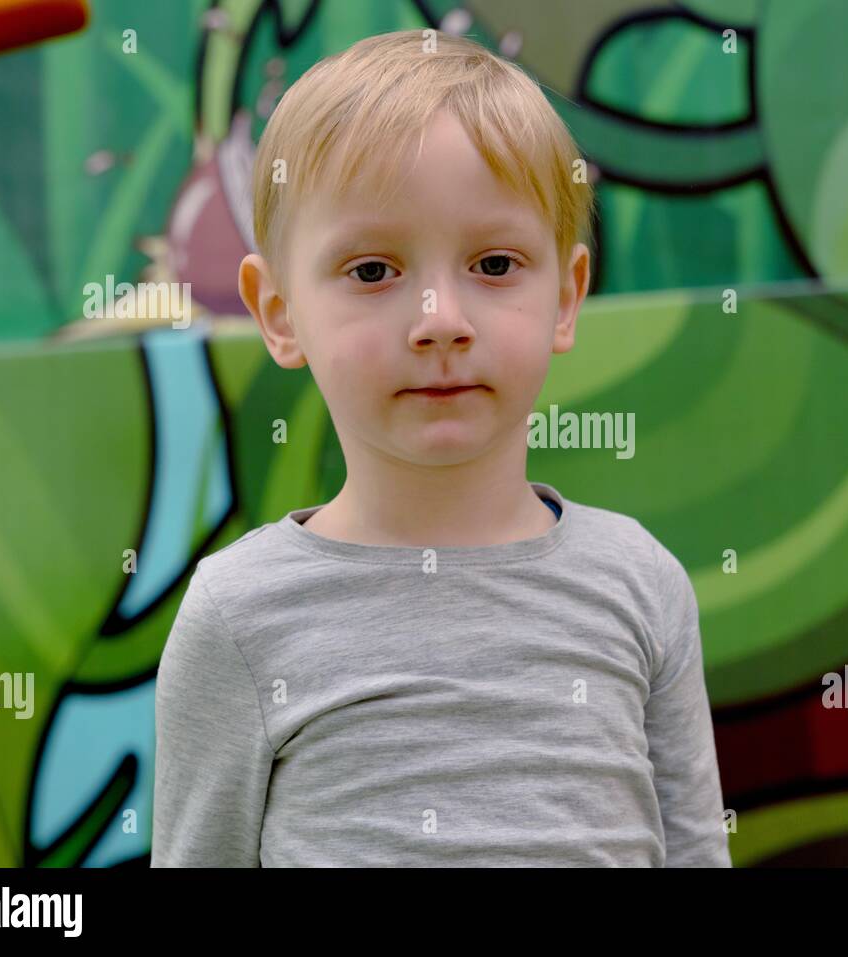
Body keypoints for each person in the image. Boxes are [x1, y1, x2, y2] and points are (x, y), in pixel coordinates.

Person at [150, 27, 730, 867]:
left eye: (494, 263)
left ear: (567, 296)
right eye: (373, 271)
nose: (440, 321)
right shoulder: (239, 615)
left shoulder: (641, 585)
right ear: (277, 310)